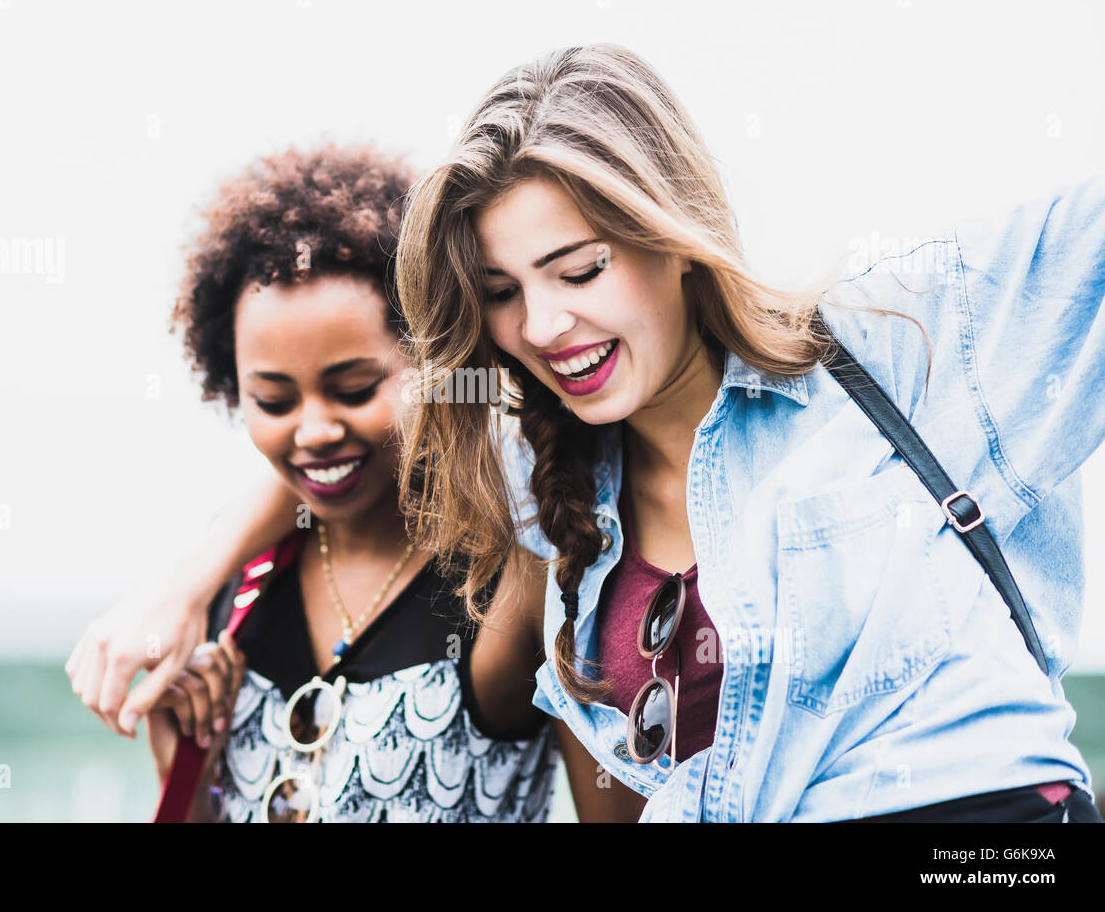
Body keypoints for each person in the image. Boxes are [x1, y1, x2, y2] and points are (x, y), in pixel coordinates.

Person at [70, 45, 1105, 822]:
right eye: (502, 293)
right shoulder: (539, 483)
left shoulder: (905, 342)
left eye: (580, 270)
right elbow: (340, 438)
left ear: (671, 234)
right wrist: (176, 594)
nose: (546, 326)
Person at [83, 140, 642, 821]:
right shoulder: (232, 591)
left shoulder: (514, 578)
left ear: (432, 360)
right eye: (274, 400)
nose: (314, 430)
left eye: (352, 388)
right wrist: (182, 762)